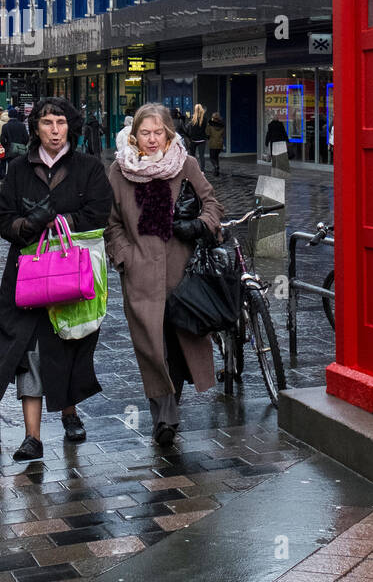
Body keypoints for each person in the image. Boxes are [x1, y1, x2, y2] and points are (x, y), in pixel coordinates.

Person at [0, 97, 114, 461]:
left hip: (72, 272)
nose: (54, 129)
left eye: (60, 122)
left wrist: (58, 221)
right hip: (28, 276)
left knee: (68, 344)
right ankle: (32, 437)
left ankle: (70, 413)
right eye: (47, 122)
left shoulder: (89, 167)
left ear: (70, 127)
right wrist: (28, 224)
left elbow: (99, 212)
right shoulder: (18, 169)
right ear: (35, 127)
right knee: (29, 352)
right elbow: (4, 218)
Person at [104, 102, 222, 447]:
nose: (152, 139)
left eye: (158, 132)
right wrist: (125, 257)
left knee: (177, 342)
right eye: (145, 132)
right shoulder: (118, 170)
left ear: (169, 133)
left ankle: (170, 411)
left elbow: (213, 204)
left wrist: (197, 225)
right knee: (152, 349)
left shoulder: (186, 165)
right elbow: (110, 223)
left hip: (182, 274)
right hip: (140, 275)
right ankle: (164, 416)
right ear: (134, 134)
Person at [185, 103, 208, 169]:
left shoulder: (192, 119)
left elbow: (187, 128)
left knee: (192, 156)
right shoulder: (205, 119)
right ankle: (202, 170)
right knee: (201, 156)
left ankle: (193, 169)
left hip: (193, 140)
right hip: (202, 139)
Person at [205, 112, 225, 176]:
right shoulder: (222, 125)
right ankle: (217, 171)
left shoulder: (210, 125)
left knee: (212, 157)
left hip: (213, 142)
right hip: (220, 143)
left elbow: (207, 133)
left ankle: (216, 166)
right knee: (216, 157)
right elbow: (223, 134)